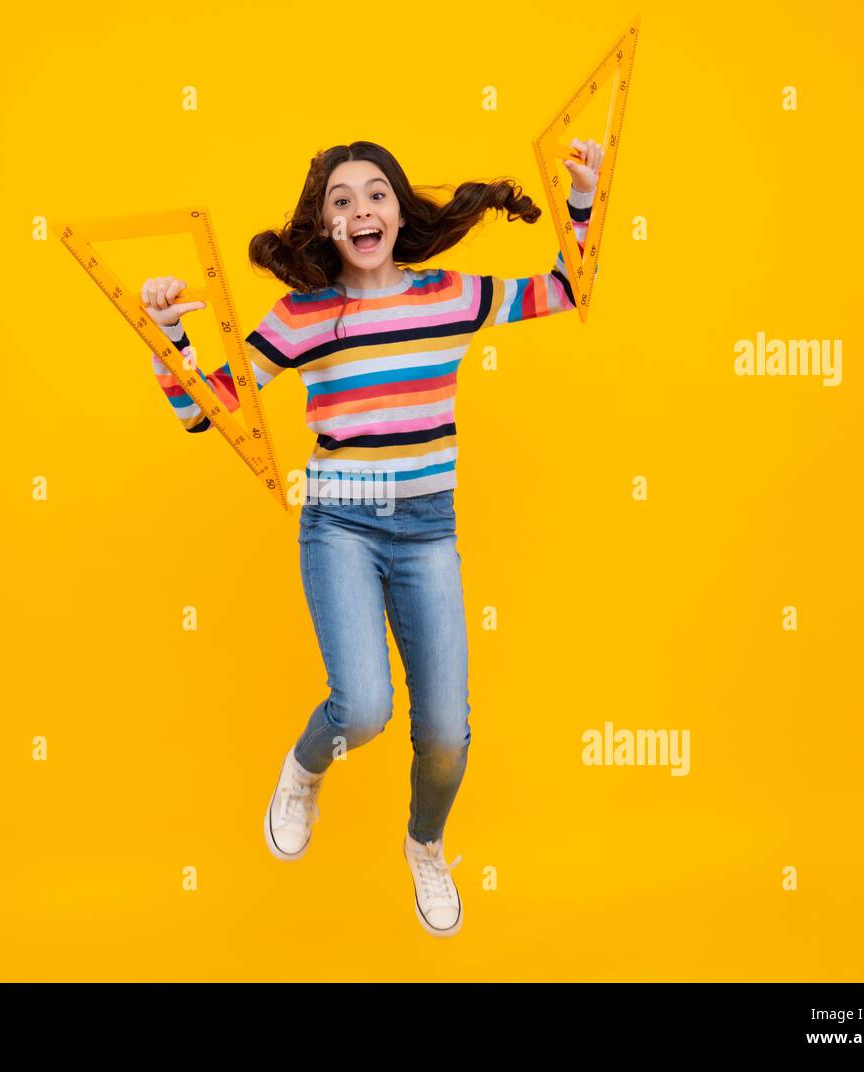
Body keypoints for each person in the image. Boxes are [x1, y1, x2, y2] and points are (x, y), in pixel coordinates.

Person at [140, 139, 603, 938]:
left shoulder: (452, 296)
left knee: (447, 738)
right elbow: (202, 409)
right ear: (324, 227)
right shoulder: (304, 316)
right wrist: (168, 339)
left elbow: (566, 289)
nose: (362, 210)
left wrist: (585, 200)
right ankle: (303, 770)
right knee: (362, 707)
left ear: (399, 210)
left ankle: (425, 845)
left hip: (427, 532)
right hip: (341, 523)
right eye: (342, 201)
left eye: (376, 194)